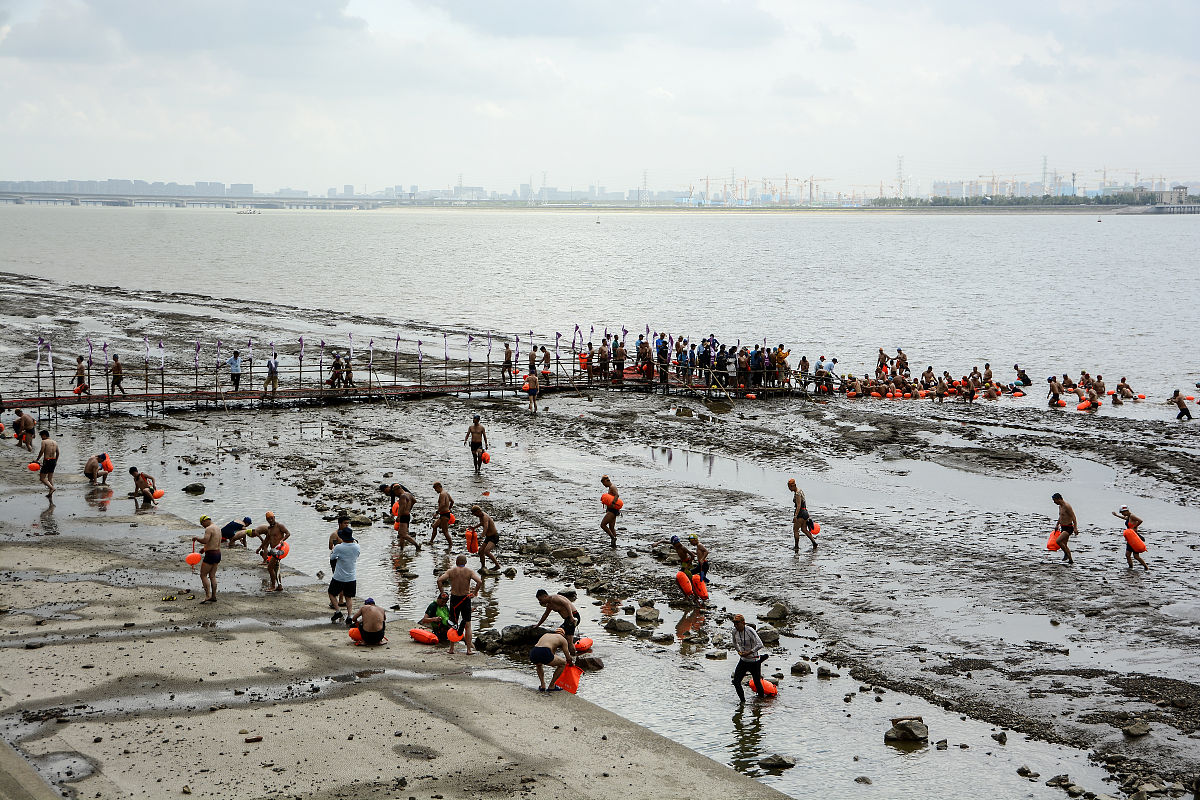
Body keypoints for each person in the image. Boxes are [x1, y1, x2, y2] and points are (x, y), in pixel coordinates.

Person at [437, 555, 483, 655]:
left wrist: (442, 593)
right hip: (465, 599)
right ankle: (469, 650)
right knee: (468, 625)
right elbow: (479, 581)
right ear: (465, 562)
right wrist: (474, 593)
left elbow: (439, 580)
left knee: (453, 623)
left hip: (454, 599)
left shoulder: (451, 571)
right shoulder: (469, 571)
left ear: (456, 562)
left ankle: (451, 649)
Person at [730, 614, 767, 703]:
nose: (736, 625)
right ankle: (742, 702)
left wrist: (749, 652)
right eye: (734, 623)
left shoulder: (749, 631)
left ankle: (761, 701)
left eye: (737, 623)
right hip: (743, 661)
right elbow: (734, 643)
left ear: (743, 623)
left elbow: (760, 644)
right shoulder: (734, 631)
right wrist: (739, 652)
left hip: (754, 661)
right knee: (736, 682)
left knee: (757, 682)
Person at [328, 527, 361, 623]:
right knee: (348, 597)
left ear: (343, 537)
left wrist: (335, 551)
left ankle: (338, 611)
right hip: (351, 576)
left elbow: (332, 557)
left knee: (331, 593)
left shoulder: (339, 547)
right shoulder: (357, 547)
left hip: (339, 576)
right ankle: (350, 616)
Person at [380, 482, 420, 551]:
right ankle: (401, 549)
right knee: (401, 535)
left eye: (395, 492)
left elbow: (401, 507)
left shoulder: (402, 496)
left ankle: (417, 545)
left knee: (403, 534)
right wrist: (409, 509)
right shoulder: (408, 494)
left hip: (403, 516)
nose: (395, 494)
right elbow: (414, 501)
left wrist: (398, 517)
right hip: (407, 515)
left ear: (398, 490)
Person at [257, 511, 291, 591]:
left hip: (279, 550)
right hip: (273, 550)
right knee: (276, 568)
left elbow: (288, 533)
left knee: (270, 568)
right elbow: (267, 539)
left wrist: (282, 540)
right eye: (268, 519)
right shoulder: (269, 529)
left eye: (271, 518)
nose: (270, 520)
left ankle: (273, 586)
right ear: (267, 520)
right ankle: (279, 586)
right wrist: (260, 547)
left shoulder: (279, 526)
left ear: (274, 517)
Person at [192, 515, 221, 604]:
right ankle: (214, 596)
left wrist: (196, 538)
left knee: (203, 575)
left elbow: (205, 540)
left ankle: (208, 595)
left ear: (205, 521)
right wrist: (204, 549)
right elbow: (215, 541)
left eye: (202, 524)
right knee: (212, 576)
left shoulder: (209, 529)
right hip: (218, 553)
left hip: (211, 554)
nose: (203, 526)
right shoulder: (218, 528)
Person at [1113, 505, 1148, 571]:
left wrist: (1135, 527)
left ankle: (1146, 567)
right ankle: (1130, 567)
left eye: (1122, 512)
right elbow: (1124, 518)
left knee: (1136, 556)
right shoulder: (1129, 517)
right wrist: (1116, 515)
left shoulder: (1132, 516)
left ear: (1126, 511)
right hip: (1130, 537)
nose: (1122, 514)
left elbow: (1140, 520)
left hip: (1134, 537)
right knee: (1127, 554)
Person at [471, 505, 501, 571]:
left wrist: (482, 536)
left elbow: (486, 526)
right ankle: (483, 566)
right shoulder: (480, 516)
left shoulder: (485, 516)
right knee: (481, 551)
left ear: (478, 511)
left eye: (475, 514)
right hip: (488, 537)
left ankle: (497, 565)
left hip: (494, 537)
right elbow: (482, 523)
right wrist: (474, 527)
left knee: (486, 551)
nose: (475, 515)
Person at [1051, 493, 1078, 565]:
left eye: (1054, 500)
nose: (1054, 502)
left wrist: (1075, 528)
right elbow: (1061, 517)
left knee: (1058, 541)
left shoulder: (1067, 506)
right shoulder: (1060, 506)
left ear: (1058, 499)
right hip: (1063, 527)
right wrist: (1057, 525)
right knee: (1065, 545)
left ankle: (1066, 553)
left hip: (1068, 528)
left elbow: (1074, 517)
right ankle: (1070, 560)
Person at [789, 478, 816, 550]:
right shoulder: (800, 491)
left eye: (790, 487)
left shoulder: (797, 493)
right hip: (805, 512)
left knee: (795, 530)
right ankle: (814, 542)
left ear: (793, 486)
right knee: (804, 529)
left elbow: (798, 506)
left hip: (800, 513)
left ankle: (796, 546)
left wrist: (795, 516)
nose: (789, 489)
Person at [429, 481, 455, 548]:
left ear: (439, 487)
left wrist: (437, 512)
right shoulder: (446, 493)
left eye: (435, 489)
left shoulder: (442, 494)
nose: (435, 491)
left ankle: (451, 544)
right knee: (434, 526)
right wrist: (449, 508)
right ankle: (431, 541)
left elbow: (442, 504)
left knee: (445, 531)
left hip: (444, 515)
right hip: (444, 514)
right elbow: (452, 501)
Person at [34, 430, 58, 495]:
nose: (41, 438)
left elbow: (42, 451)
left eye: (41, 436)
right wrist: (56, 461)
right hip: (53, 460)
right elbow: (58, 453)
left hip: (47, 460)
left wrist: (37, 460)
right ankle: (50, 492)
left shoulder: (44, 441)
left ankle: (52, 488)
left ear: (44, 435)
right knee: (50, 478)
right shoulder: (55, 442)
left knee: (42, 478)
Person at [600, 474, 620, 546]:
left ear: (606, 481)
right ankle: (614, 543)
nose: (604, 485)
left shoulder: (612, 487)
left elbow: (617, 495)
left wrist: (613, 504)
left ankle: (613, 538)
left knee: (603, 525)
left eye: (603, 483)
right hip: (613, 510)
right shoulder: (610, 487)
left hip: (612, 510)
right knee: (611, 527)